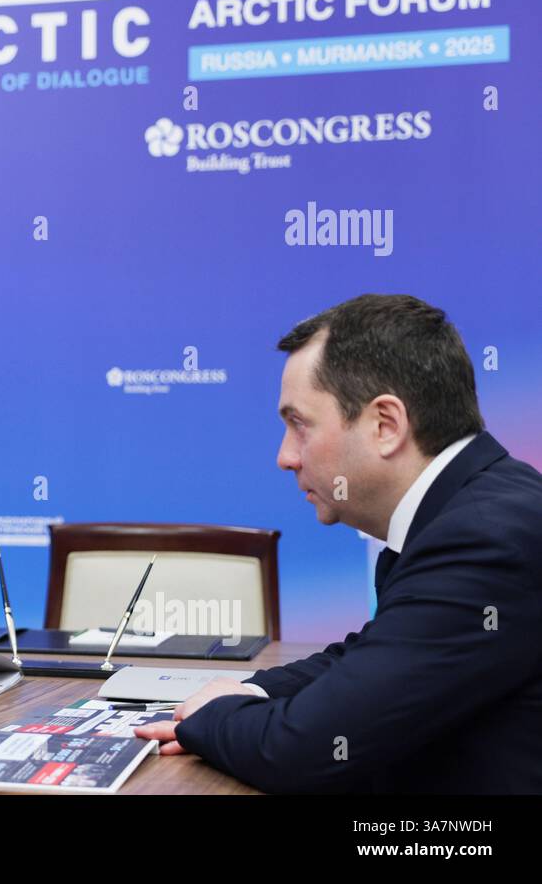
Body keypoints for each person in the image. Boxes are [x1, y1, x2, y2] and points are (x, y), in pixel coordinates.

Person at [135, 293, 542, 793]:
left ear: (384, 425)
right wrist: (253, 688)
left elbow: (311, 749)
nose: (285, 457)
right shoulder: (475, 506)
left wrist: (212, 718)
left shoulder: (485, 537)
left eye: (298, 425)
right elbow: (375, 655)